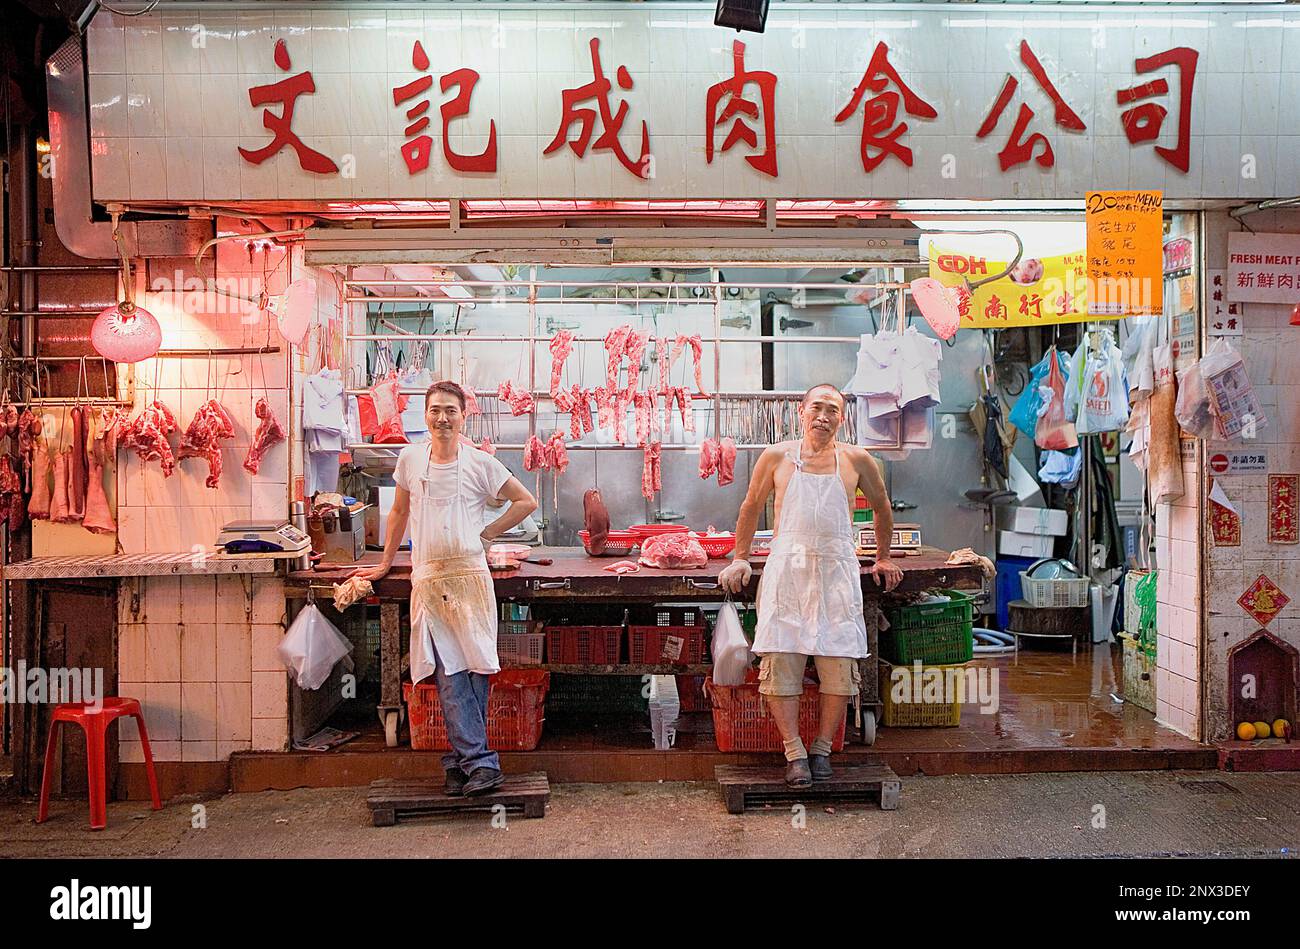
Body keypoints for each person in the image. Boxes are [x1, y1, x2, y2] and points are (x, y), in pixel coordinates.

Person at [355, 381, 538, 797]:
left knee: (475, 670)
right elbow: (399, 510)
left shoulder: (478, 462)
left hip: (470, 578)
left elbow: (525, 501)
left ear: (463, 416)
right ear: (425, 415)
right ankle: (479, 763)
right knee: (450, 673)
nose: (443, 418)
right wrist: (385, 562)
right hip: (430, 579)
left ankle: (461, 762)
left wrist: (487, 533)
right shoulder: (410, 459)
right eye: (435, 410)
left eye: (451, 411)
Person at [719, 384, 903, 788]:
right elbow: (750, 505)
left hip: (837, 570)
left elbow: (882, 506)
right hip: (787, 570)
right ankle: (794, 752)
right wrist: (740, 557)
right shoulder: (776, 456)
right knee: (781, 663)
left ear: (842, 418)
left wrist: (884, 557)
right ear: (800, 412)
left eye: (833, 410)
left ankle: (821, 748)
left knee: (838, 665)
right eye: (816, 408)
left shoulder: (858, 460)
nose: (823, 416)